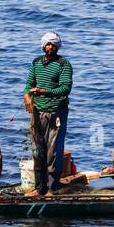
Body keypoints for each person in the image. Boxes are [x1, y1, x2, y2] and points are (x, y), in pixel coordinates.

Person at [24, 32, 73, 198]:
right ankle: (39, 189)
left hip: (56, 113)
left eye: (53, 44)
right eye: (47, 44)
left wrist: (45, 91)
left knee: (53, 152)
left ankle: (52, 189)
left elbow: (65, 88)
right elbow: (29, 84)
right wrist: (27, 96)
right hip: (38, 113)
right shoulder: (37, 63)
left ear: (57, 46)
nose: (50, 47)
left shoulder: (63, 64)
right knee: (38, 151)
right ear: (43, 45)